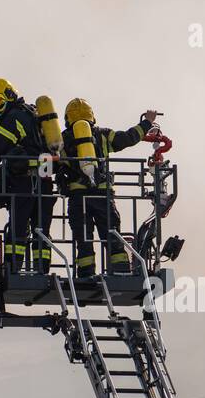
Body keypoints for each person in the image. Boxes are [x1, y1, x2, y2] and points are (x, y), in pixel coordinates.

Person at [60, 98, 158, 277]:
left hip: (78, 197)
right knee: (112, 235)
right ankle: (120, 270)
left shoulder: (62, 139)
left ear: (68, 118)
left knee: (83, 238)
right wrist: (147, 123)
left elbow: (54, 165)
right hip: (102, 196)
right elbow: (128, 138)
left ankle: (85, 273)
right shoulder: (103, 135)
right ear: (91, 116)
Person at [0, 77, 42, 273]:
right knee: (40, 228)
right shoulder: (28, 113)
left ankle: (12, 267)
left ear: (8, 95)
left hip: (24, 182)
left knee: (18, 226)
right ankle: (41, 268)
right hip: (42, 182)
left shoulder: (14, 118)